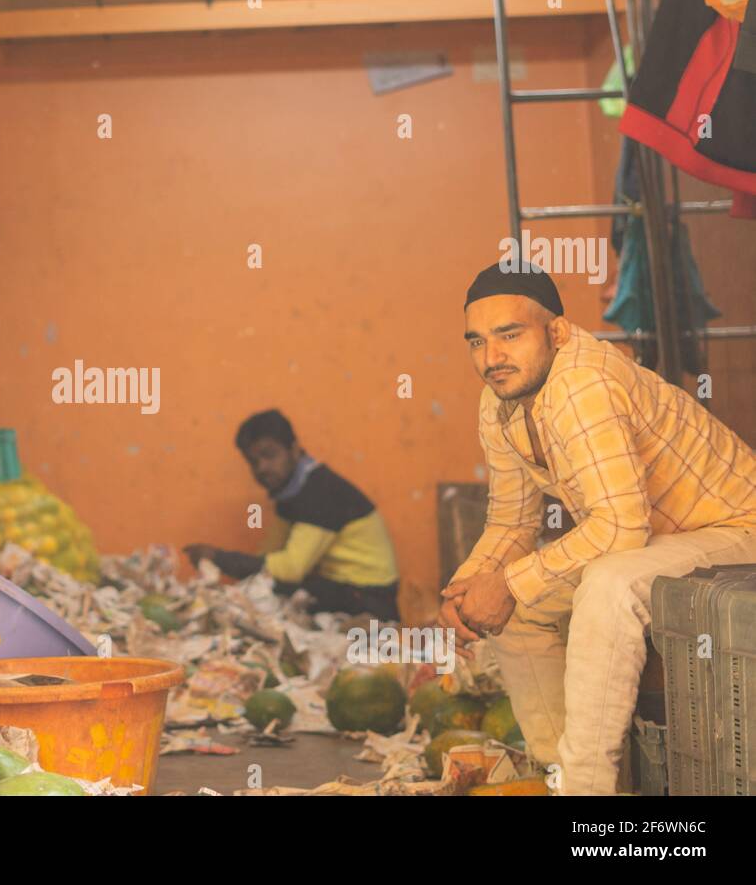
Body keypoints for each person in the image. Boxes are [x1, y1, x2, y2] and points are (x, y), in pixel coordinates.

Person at [441, 262, 756, 795]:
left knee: (607, 585)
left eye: (510, 335)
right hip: (662, 540)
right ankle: (560, 778)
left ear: (557, 332)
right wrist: (468, 585)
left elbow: (621, 527)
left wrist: (511, 582)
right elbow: (510, 521)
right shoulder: (501, 399)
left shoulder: (581, 383)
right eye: (478, 341)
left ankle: (588, 797)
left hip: (736, 531)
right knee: (515, 610)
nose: (492, 358)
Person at [184, 410, 400, 620]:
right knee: (262, 591)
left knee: (281, 594)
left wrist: (218, 558)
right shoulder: (291, 492)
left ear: (294, 450)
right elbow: (269, 554)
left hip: (369, 600)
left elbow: (291, 568)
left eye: (269, 455)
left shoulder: (320, 491)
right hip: (341, 589)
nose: (262, 468)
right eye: (253, 461)